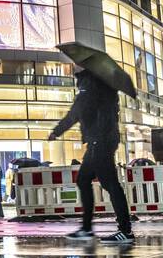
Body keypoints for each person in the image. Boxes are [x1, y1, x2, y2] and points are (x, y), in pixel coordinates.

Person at [47, 68, 133, 244]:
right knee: (84, 179)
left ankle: (125, 230)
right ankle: (87, 227)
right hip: (103, 140)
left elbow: (74, 114)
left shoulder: (89, 90)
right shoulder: (107, 90)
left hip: (98, 142)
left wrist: (56, 132)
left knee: (110, 184)